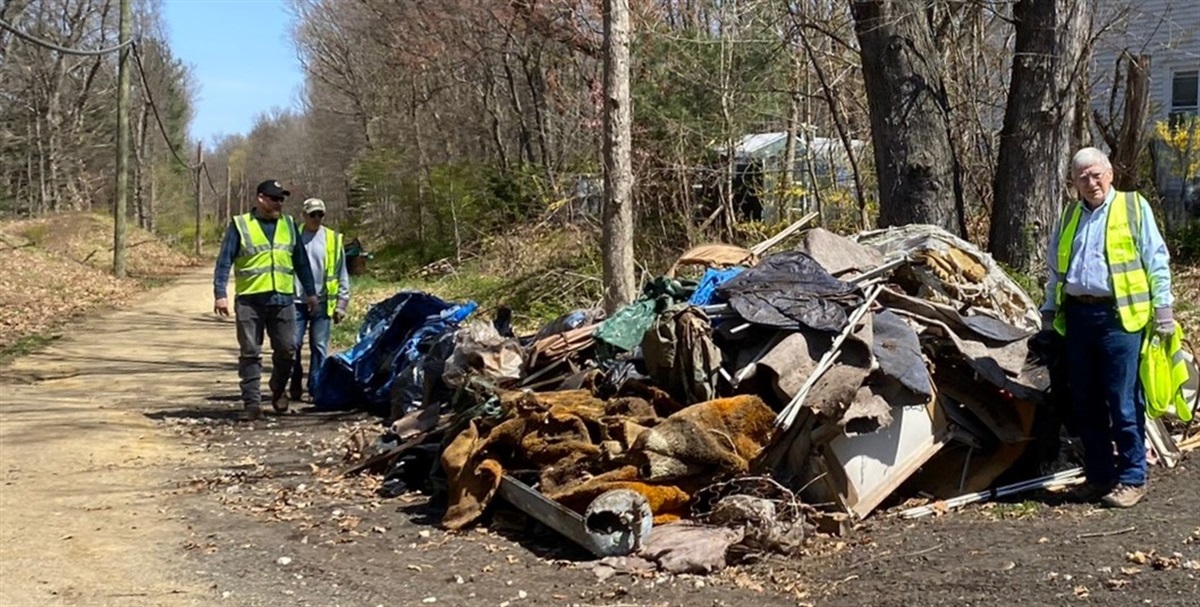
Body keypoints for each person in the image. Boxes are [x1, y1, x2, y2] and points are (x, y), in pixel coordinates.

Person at [1041, 147, 1175, 508]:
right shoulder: (1070, 215)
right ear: (1074, 183)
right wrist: (1049, 313)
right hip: (1078, 320)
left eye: (1096, 174)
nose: (1091, 182)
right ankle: (1099, 477)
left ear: (1110, 174)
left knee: (1123, 400)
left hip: (1120, 319)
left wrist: (1164, 310)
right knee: (1086, 402)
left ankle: (1132, 477)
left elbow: (1156, 259)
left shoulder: (1133, 207)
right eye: (1082, 177)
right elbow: (1056, 269)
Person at [213, 179, 318, 420]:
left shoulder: (289, 224)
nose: (279, 203)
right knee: (250, 351)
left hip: (283, 300)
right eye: (275, 199)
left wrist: (311, 293)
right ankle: (251, 404)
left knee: (287, 350)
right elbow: (224, 261)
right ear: (261, 198)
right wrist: (220, 294)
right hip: (250, 300)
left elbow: (300, 261)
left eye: (282, 199)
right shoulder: (240, 225)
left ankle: (278, 390)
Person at [289, 197, 350, 402]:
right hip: (295, 301)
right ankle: (295, 380)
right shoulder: (292, 236)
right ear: (304, 215)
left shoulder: (332, 239)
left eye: (320, 214)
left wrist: (342, 303)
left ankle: (315, 387)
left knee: (319, 347)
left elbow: (341, 273)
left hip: (324, 302)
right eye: (312, 214)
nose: (316, 218)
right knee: (293, 345)